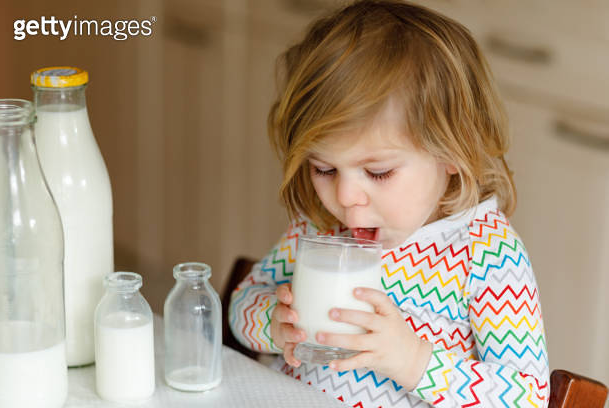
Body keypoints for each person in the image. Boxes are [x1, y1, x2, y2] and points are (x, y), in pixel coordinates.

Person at [229, 1, 550, 406]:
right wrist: (271, 326)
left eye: (378, 172)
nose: (344, 199)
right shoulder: (318, 226)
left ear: (452, 152)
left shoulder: (485, 251)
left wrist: (413, 360)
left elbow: (528, 397)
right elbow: (244, 300)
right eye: (324, 169)